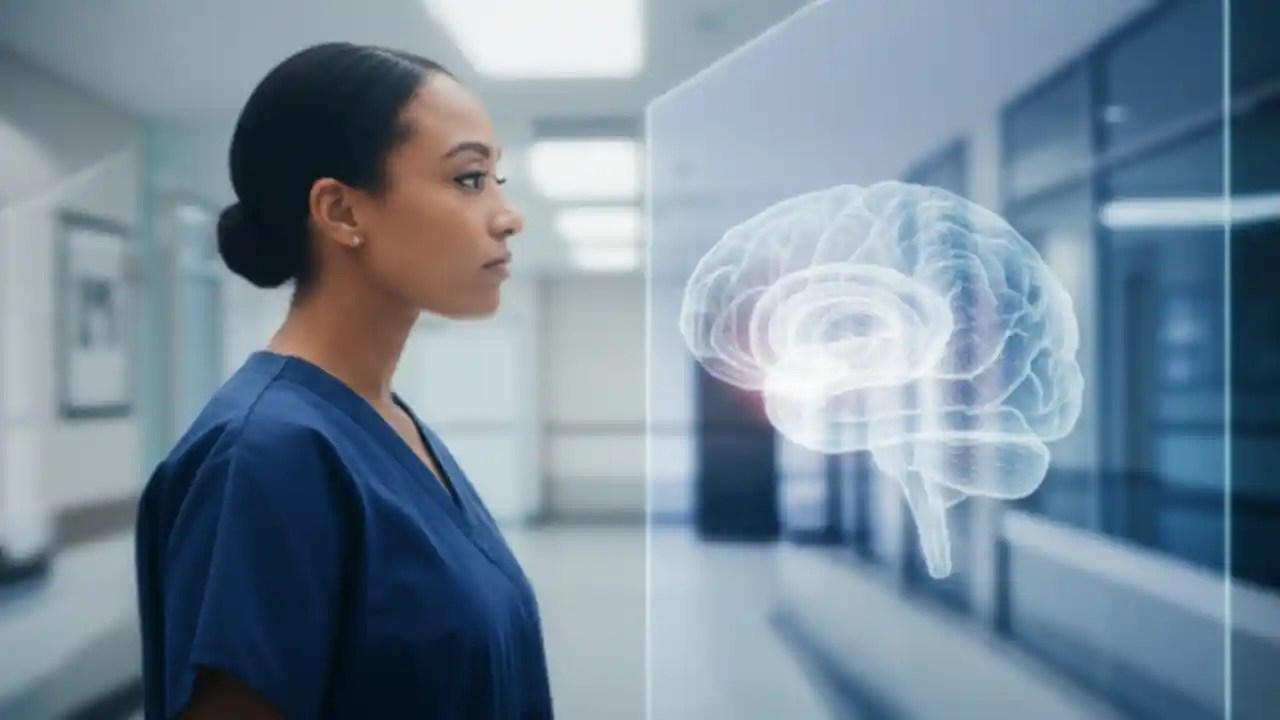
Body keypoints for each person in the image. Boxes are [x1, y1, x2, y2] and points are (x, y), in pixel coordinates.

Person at [134, 42, 552, 719]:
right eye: (470, 178)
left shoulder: (388, 423)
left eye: (496, 178)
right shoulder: (265, 456)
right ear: (341, 211)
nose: (509, 216)